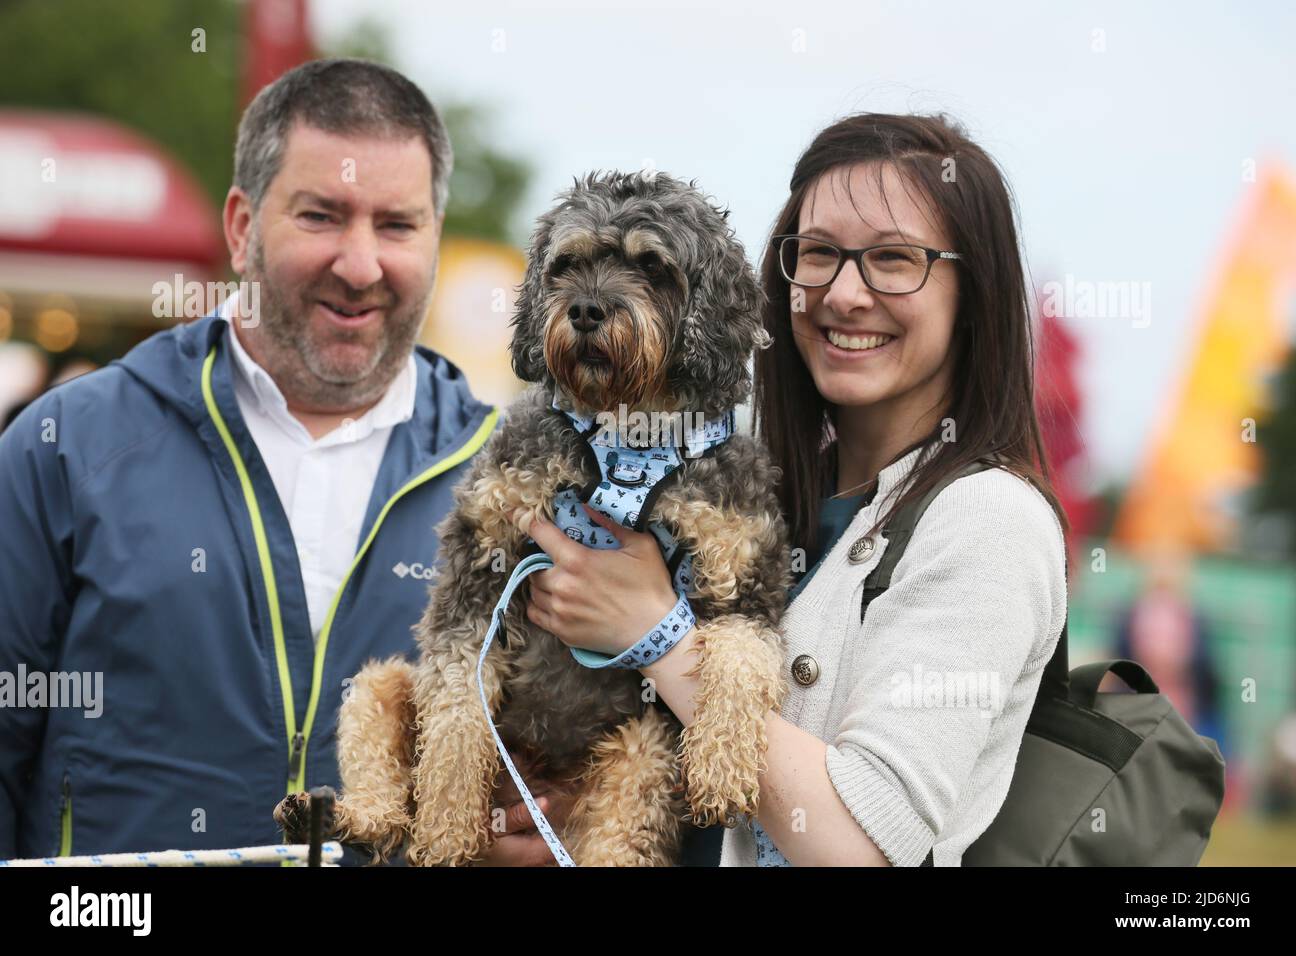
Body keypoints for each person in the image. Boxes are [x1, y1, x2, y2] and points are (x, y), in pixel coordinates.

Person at [517, 112, 1069, 865]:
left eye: (894, 259)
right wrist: (559, 826)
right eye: (819, 254)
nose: (843, 293)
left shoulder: (989, 523)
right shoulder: (762, 486)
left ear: (973, 292)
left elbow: (860, 848)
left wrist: (651, 628)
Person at [0, 58, 503, 860]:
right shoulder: (70, 445)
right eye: (321, 216)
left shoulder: (508, 488)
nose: (361, 263)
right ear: (241, 227)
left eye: (397, 225)